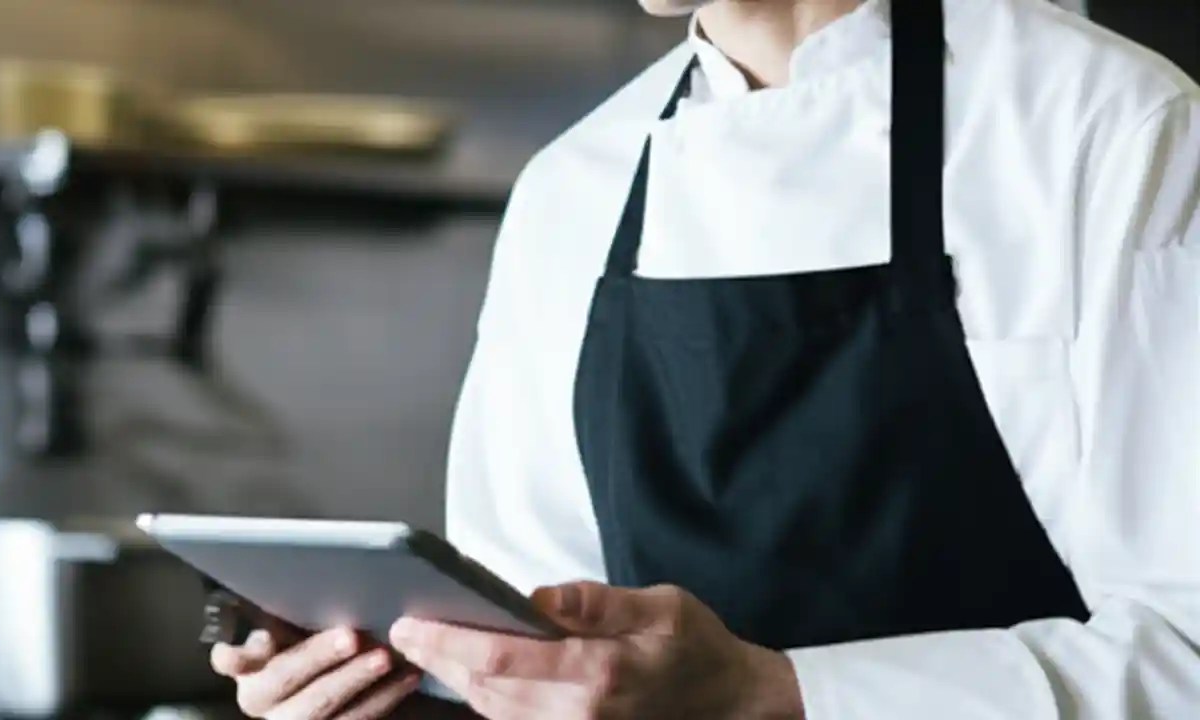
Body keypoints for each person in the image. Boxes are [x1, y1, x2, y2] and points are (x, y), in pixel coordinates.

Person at [210, 0, 1200, 717]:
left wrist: (773, 693)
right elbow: (535, 651)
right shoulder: (571, 186)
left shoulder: (1105, 127)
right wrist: (394, 671)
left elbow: (1185, 652)